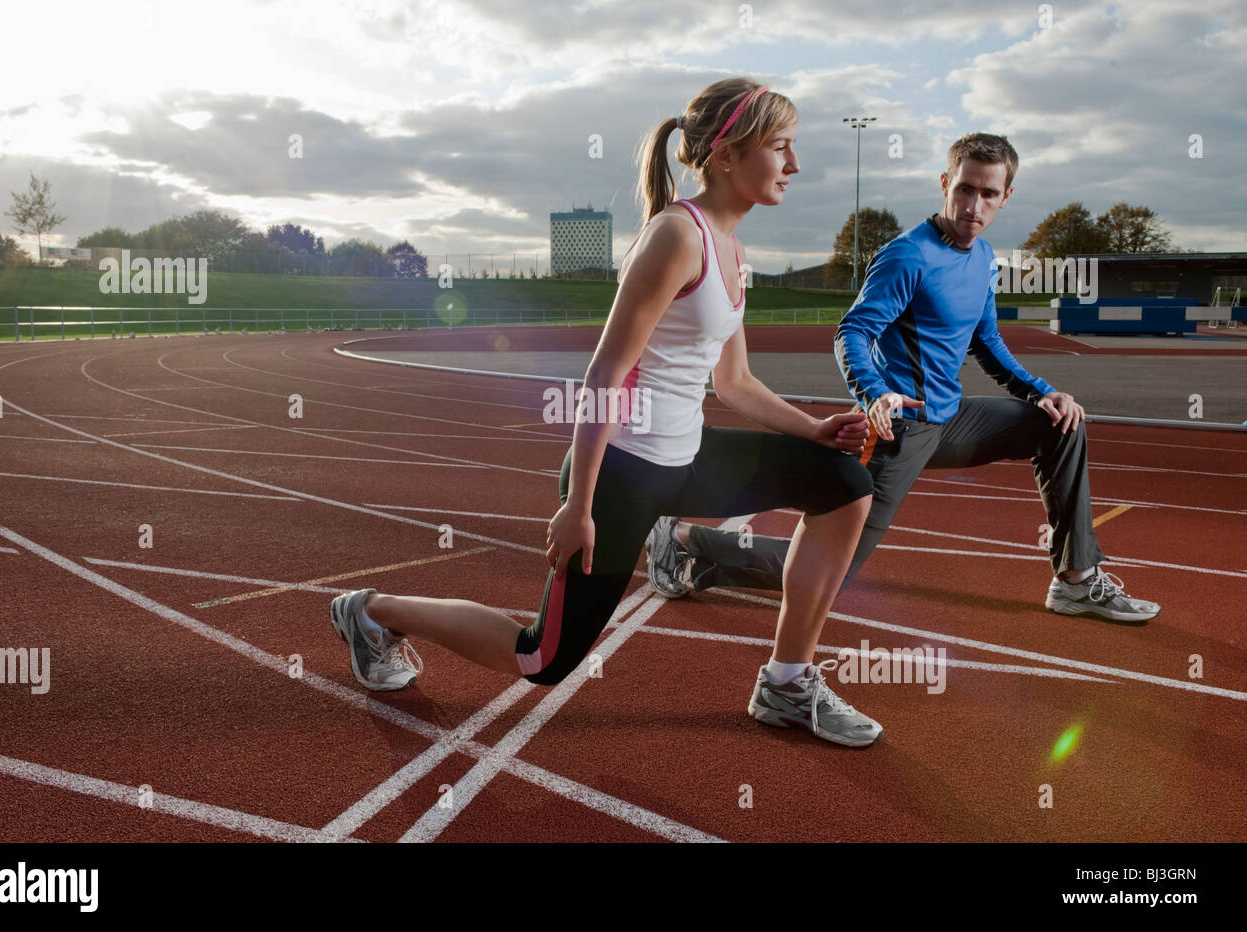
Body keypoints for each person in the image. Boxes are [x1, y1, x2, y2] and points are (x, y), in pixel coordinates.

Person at [328, 78, 887, 746]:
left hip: (688, 459)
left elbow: (733, 382)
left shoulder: (734, 249)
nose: (794, 166)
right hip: (621, 473)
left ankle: (787, 682)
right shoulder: (677, 237)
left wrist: (814, 428)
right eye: (780, 147)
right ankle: (372, 613)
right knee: (543, 657)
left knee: (845, 484)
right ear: (727, 154)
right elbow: (605, 373)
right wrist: (578, 507)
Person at [645, 132, 1161, 625]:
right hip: (901, 430)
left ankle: (1076, 579)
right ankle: (687, 538)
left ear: (1006, 196)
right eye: (964, 189)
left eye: (987, 194)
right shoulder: (907, 255)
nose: (972, 206)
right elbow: (853, 331)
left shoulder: (982, 258)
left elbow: (989, 343)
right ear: (945, 184)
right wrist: (874, 394)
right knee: (827, 571)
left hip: (954, 421)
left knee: (1061, 426)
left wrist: (1043, 392)